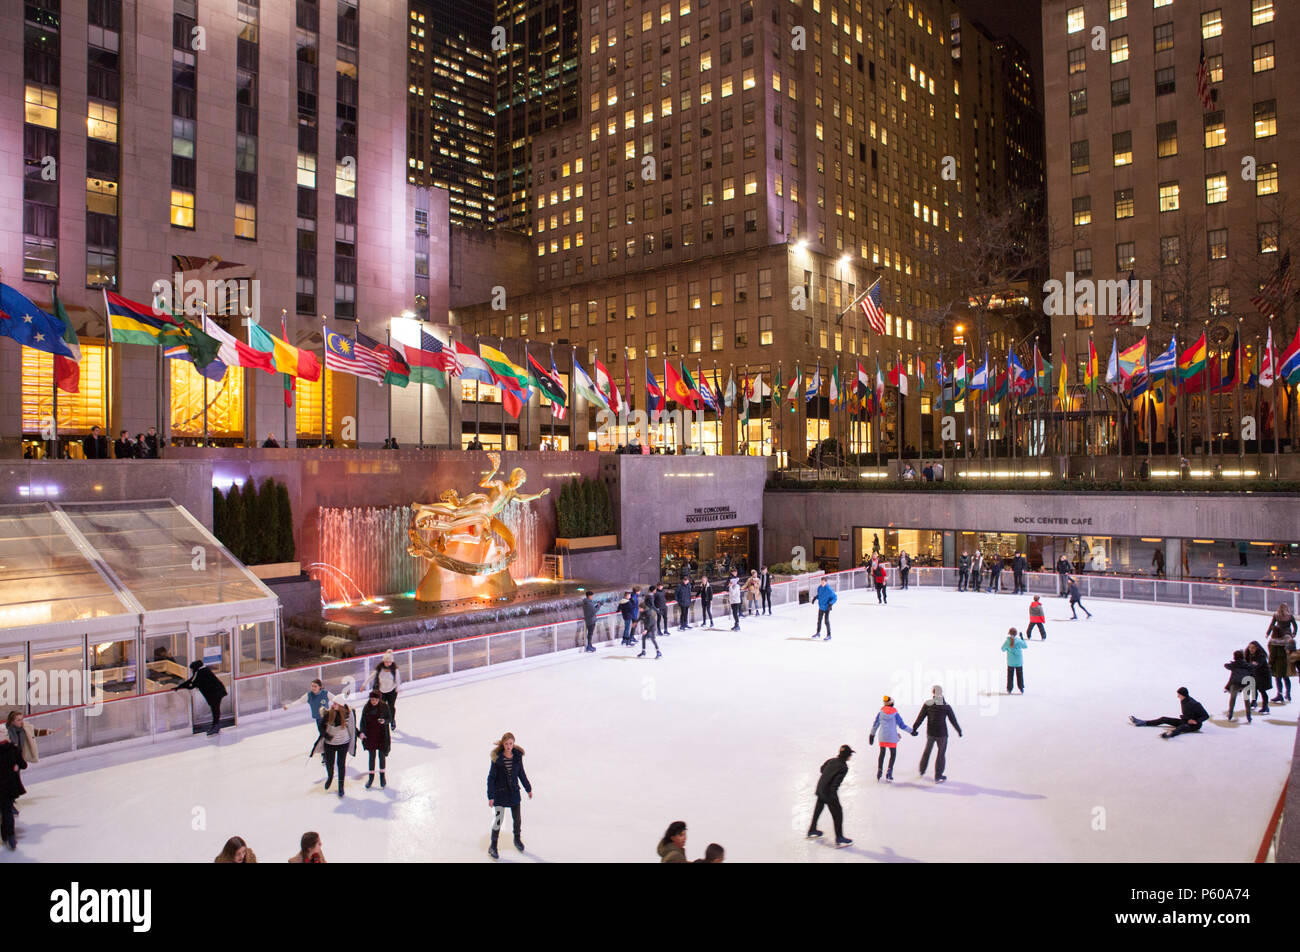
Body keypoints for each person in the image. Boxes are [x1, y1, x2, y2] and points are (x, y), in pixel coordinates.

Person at [486, 732, 532, 859]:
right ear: (503, 744)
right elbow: (491, 778)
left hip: (513, 793)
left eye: (510, 743)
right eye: (506, 744)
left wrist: (528, 788)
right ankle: (493, 846)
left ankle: (517, 840)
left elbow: (521, 774)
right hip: (500, 794)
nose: (508, 746)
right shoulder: (497, 759)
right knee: (498, 821)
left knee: (517, 819)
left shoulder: (517, 757)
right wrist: (490, 796)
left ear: (513, 743)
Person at [911, 685, 962, 783]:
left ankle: (922, 770)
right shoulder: (946, 706)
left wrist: (914, 728)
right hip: (942, 734)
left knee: (927, 751)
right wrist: (959, 731)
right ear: (941, 693)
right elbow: (953, 720)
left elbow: (920, 718)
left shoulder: (928, 704)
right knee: (941, 754)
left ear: (933, 692)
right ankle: (938, 775)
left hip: (931, 733)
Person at [806, 744, 854, 847]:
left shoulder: (831, 760)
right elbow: (835, 784)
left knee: (818, 809)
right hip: (828, 792)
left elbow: (822, 769)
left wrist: (828, 775)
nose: (851, 756)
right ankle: (839, 837)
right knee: (838, 813)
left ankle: (812, 829)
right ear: (847, 756)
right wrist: (833, 797)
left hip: (820, 788)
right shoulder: (844, 767)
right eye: (850, 754)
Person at [312, 696, 357, 797]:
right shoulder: (328, 713)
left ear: (341, 705)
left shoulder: (348, 714)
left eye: (335, 704)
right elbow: (321, 726)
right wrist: (327, 736)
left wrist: (357, 737)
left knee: (341, 765)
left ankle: (341, 786)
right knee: (329, 763)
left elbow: (352, 727)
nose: (333, 705)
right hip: (330, 744)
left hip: (343, 743)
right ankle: (330, 777)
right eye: (333, 703)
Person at [173, 659, 228, 735]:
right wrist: (180, 686)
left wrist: (180, 687)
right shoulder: (204, 670)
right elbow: (192, 681)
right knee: (215, 709)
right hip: (217, 692)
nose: (192, 671)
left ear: (195, 668)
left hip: (215, 693)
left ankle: (216, 726)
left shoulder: (200, 672)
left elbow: (192, 683)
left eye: (192, 669)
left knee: (215, 709)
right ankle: (215, 725)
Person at [1129, 688, 1209, 738]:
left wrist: (1196, 721)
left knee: (1181, 728)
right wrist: (1186, 718)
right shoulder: (1183, 700)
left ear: (1183, 695)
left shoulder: (1194, 704)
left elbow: (1206, 715)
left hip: (1194, 726)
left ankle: (1170, 734)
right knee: (1164, 719)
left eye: (1179, 695)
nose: (1177, 696)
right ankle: (1143, 722)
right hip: (1185, 721)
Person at [869, 696, 909, 782]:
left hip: (882, 737)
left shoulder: (880, 713)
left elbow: (875, 725)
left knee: (882, 753)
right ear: (892, 703)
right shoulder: (895, 714)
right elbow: (902, 725)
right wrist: (912, 731)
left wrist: (872, 735)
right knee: (893, 754)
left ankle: (879, 770)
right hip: (892, 737)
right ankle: (889, 771)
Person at [359, 690, 392, 788]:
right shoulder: (367, 707)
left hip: (381, 736)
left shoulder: (384, 707)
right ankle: (371, 777)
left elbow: (390, 719)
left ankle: (382, 777)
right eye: (372, 700)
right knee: (371, 757)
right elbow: (362, 722)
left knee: (381, 756)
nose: (373, 701)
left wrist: (384, 721)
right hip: (371, 736)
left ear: (379, 699)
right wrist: (362, 732)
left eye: (375, 700)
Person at [1267, 604, 1296, 704]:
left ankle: (1280, 694)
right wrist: (1293, 634)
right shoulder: (1289, 641)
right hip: (1286, 661)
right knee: (1285, 677)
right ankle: (1287, 693)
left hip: (1279, 662)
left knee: (1279, 677)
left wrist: (1270, 663)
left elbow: (1272, 654)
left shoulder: (1273, 642)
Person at [0, 734, 22, 850]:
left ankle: (7, 835)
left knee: (5, 811)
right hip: (8, 787)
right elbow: (23, 764)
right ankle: (9, 835)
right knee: (7, 811)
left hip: (5, 787)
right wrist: (17, 766)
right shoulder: (13, 748)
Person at [1223, 650, 1256, 723]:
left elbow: (1226, 665)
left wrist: (1231, 663)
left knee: (1232, 699)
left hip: (1235, 684)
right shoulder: (1247, 665)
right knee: (1247, 701)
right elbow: (1253, 670)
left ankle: (1230, 714)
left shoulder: (1234, 665)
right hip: (1246, 684)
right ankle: (1249, 716)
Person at [372, 650, 401, 730]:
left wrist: (398, 687)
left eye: (389, 662)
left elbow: (398, 679)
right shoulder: (380, 669)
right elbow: (373, 677)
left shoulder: (394, 669)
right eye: (386, 662)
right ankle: (383, 721)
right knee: (382, 707)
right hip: (382, 691)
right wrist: (365, 685)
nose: (388, 664)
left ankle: (392, 720)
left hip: (392, 690)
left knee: (391, 706)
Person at [1244, 641, 1272, 716]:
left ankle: (1265, 707)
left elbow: (1257, 665)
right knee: (1253, 689)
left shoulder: (1261, 655)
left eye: (1253, 647)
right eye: (1250, 647)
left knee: (1262, 691)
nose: (1251, 649)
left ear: (1257, 648)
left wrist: (1250, 665)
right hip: (1254, 674)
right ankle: (1254, 702)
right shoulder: (1248, 654)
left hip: (1263, 676)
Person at [1002, 627, 1027, 694]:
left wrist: (1007, 648)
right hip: (1019, 662)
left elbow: (1002, 649)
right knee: (1020, 675)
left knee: (1010, 676)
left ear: (1009, 634)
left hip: (1010, 662)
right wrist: (1022, 638)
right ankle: (1021, 688)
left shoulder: (1007, 642)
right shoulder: (1019, 641)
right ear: (1016, 634)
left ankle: (1009, 689)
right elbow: (1025, 646)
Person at [638, 593, 662, 659]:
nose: (638, 609)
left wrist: (646, 630)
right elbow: (640, 617)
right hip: (647, 627)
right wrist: (636, 622)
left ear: (642, 608)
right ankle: (643, 651)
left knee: (652, 639)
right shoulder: (642, 612)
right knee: (643, 638)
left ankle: (658, 652)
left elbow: (650, 622)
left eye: (639, 608)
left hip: (651, 627)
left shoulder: (648, 613)